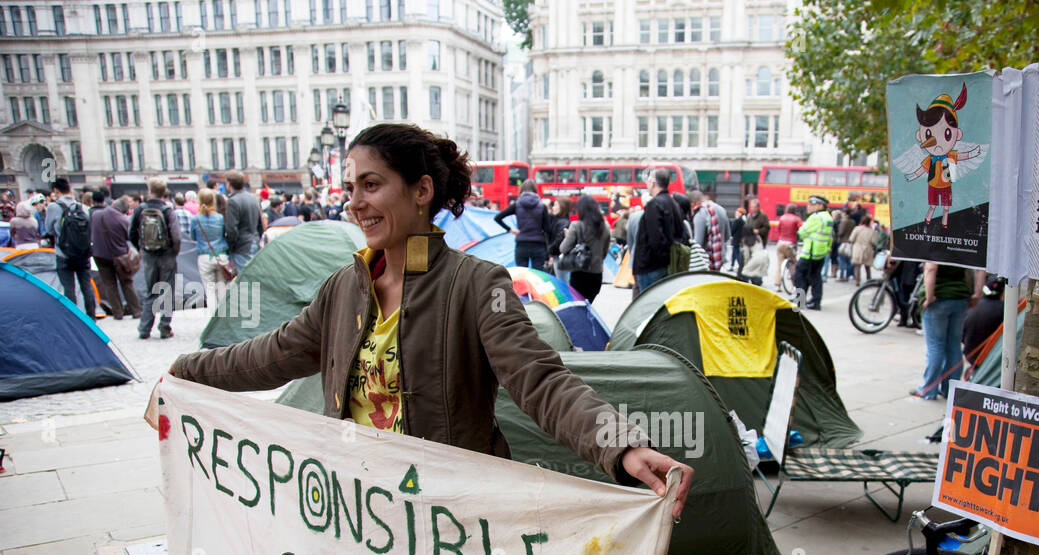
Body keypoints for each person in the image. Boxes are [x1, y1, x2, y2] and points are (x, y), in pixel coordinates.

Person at [164, 123, 692, 517]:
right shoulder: (343, 288)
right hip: (352, 512)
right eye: (351, 188)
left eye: (371, 185)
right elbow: (271, 355)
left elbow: (540, 379)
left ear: (421, 191)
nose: (355, 204)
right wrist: (187, 371)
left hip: (447, 517)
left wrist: (621, 445)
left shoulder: (477, 284)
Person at [912, 262, 983, 400]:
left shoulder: (937, 246)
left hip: (938, 297)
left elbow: (931, 268)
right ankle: (950, 390)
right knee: (954, 346)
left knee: (935, 346)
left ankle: (928, 390)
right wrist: (977, 294)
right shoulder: (965, 246)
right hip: (960, 297)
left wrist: (929, 296)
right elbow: (980, 268)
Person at [129, 177, 183, 339]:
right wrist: (174, 252)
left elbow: (131, 233)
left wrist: (141, 248)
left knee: (150, 291)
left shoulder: (140, 210)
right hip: (167, 255)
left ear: (149, 190)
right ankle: (165, 327)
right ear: (164, 192)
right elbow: (176, 236)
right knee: (167, 291)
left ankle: (144, 328)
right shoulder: (167, 211)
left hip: (148, 255)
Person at [46, 178, 97, 317]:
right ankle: (92, 317)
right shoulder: (83, 208)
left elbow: (49, 229)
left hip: (63, 253)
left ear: (56, 190)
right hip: (83, 253)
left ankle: (74, 317)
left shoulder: (53, 207)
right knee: (86, 285)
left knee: (69, 288)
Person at [91, 194, 143, 321]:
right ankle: (136, 310)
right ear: (124, 211)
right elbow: (129, 237)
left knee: (109, 284)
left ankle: (117, 313)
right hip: (119, 256)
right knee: (127, 283)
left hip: (99, 254)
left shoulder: (95, 215)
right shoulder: (123, 220)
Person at [558, 194, 611, 304]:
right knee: (588, 305)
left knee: (578, 306)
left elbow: (563, 248)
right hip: (596, 274)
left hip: (579, 274)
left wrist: (567, 236)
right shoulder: (605, 227)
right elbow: (604, 254)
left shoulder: (576, 226)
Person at [632, 167, 677, 293]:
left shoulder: (654, 205)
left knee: (649, 302)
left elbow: (656, 237)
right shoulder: (673, 203)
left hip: (650, 266)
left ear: (653, 183)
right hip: (664, 264)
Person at [493, 179, 549, 270]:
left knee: (521, 273)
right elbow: (547, 229)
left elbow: (497, 218)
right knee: (539, 274)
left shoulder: (517, 205)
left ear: (521, 190)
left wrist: (510, 229)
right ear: (535, 190)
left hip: (522, 244)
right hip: (538, 244)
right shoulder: (542, 206)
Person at [192, 188, 231, 312]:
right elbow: (224, 234)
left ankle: (213, 317)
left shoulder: (195, 219)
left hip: (204, 256)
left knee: (209, 290)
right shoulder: (220, 218)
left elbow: (193, 237)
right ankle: (224, 317)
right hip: (220, 255)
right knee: (222, 287)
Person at [794, 195, 833, 310]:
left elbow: (802, 232)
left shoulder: (816, 217)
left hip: (810, 252)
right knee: (815, 276)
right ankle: (816, 301)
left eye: (812, 204)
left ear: (821, 206)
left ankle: (800, 300)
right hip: (821, 252)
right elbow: (830, 236)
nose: (809, 206)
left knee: (799, 275)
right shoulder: (828, 217)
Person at [962, 275, 1006, 371]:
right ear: (1003, 292)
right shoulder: (1005, 310)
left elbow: (962, 334)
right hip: (992, 358)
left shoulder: (972, 305)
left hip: (971, 355)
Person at [223, 171, 264, 274]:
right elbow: (260, 223)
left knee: (245, 278)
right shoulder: (253, 198)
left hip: (242, 246)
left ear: (229, 183)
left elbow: (231, 228)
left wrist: (231, 246)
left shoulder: (233, 201)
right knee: (253, 276)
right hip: (254, 241)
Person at [688, 189, 728, 272]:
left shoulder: (700, 213)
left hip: (706, 260)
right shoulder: (722, 210)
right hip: (720, 257)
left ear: (693, 203)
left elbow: (698, 243)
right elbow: (727, 236)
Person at [771, 203, 801, 286]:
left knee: (779, 264)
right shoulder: (796, 219)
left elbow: (779, 229)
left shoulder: (782, 218)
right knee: (793, 263)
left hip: (780, 243)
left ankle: (777, 283)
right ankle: (794, 283)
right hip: (790, 244)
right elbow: (801, 230)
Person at [848, 217, 875, 284]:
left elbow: (851, 239)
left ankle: (857, 280)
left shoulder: (857, 229)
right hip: (868, 249)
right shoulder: (872, 231)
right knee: (867, 266)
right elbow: (874, 242)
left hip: (857, 249)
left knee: (857, 266)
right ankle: (868, 279)